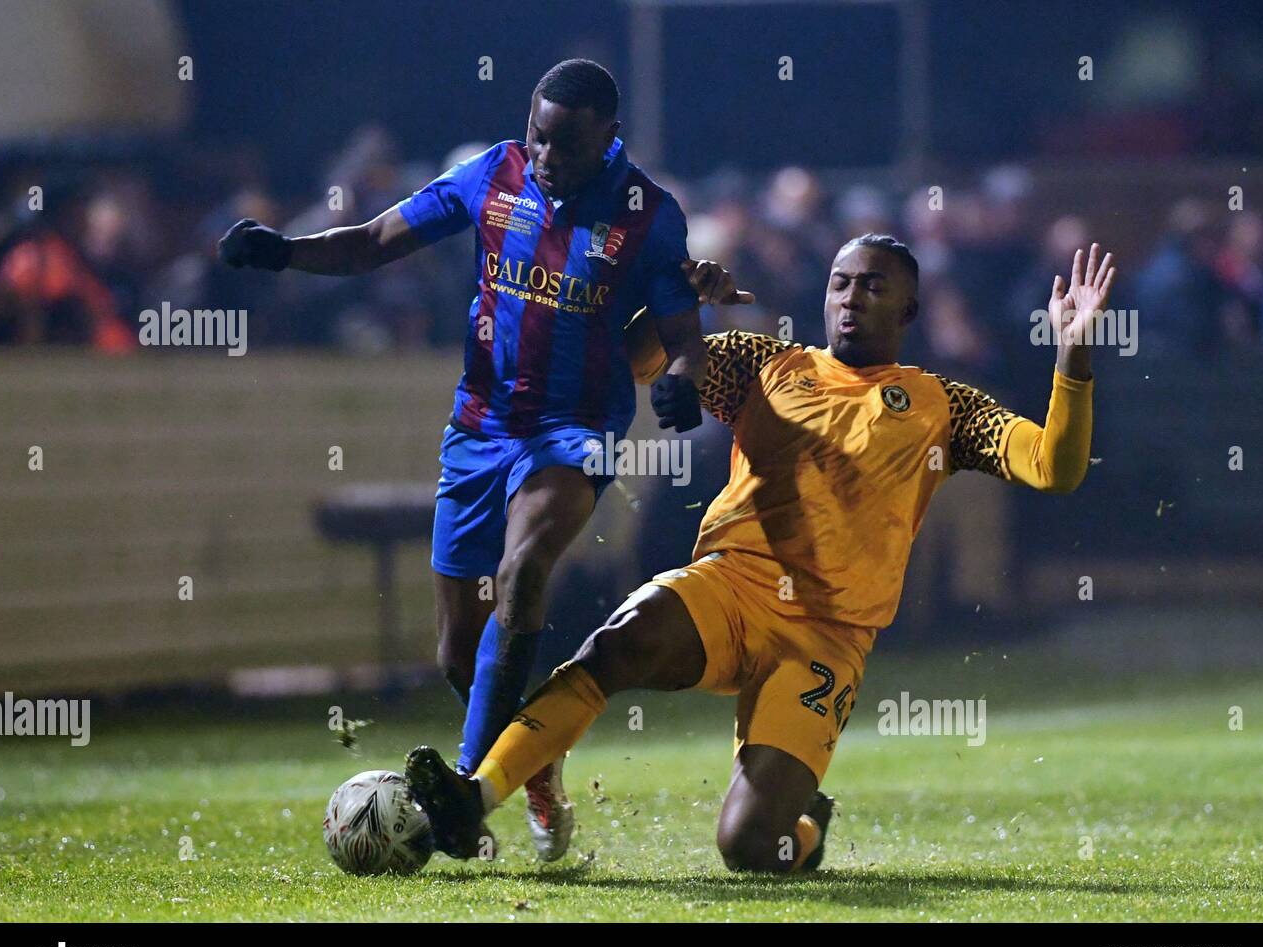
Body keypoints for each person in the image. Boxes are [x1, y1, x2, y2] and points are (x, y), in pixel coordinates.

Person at [405, 234, 1114, 872]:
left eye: (873, 285)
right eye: (841, 282)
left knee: (749, 848)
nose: (851, 297)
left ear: (909, 308)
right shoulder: (765, 365)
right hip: (731, 586)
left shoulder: (941, 405)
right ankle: (476, 797)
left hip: (825, 638)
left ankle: (808, 827)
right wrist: (673, 302)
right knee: (615, 645)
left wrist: (1073, 355)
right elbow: (636, 361)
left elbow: (1056, 467)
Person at [218, 59, 732, 860]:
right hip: (480, 426)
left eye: (566, 141)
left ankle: (464, 790)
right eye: (539, 134)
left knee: (525, 572)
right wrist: (284, 252)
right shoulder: (496, 172)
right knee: (457, 651)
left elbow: (684, 335)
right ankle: (536, 765)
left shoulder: (647, 213)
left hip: (577, 428)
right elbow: (373, 242)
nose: (547, 153)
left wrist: (681, 383)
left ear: (608, 137)